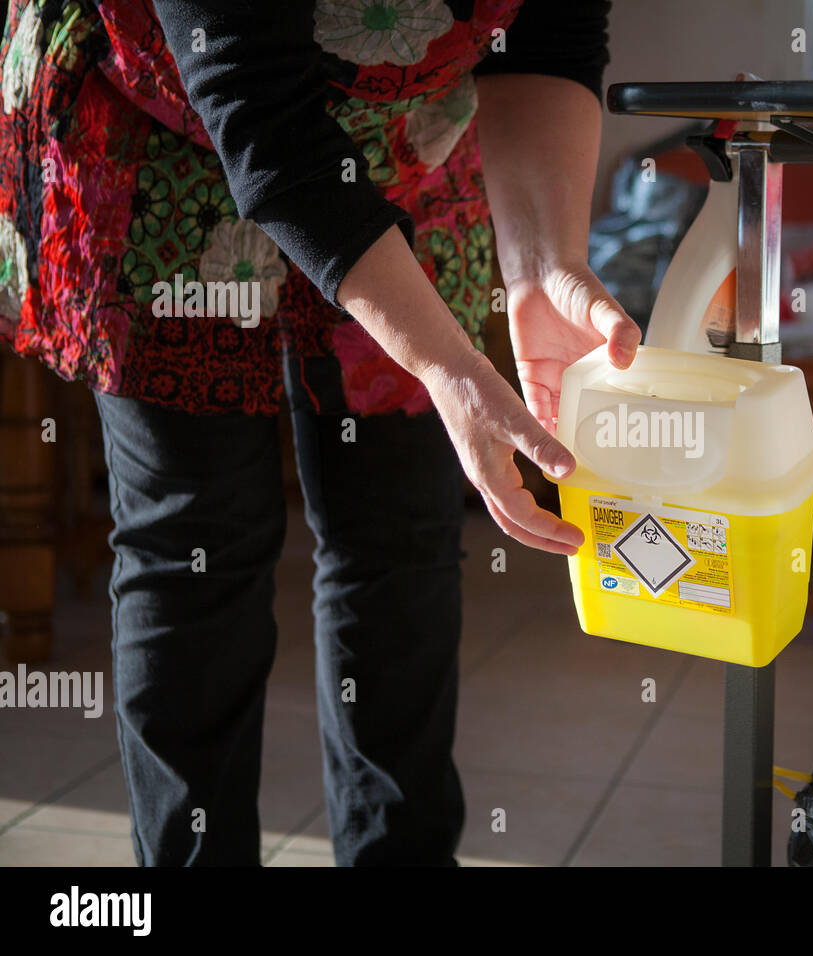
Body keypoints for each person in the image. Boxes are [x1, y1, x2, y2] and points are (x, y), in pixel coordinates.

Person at [0, 0, 639, 865]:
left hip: (410, 143)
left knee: (401, 535)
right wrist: (446, 366)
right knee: (197, 541)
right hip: (174, 118)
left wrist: (545, 261)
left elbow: (546, 37)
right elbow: (254, 97)